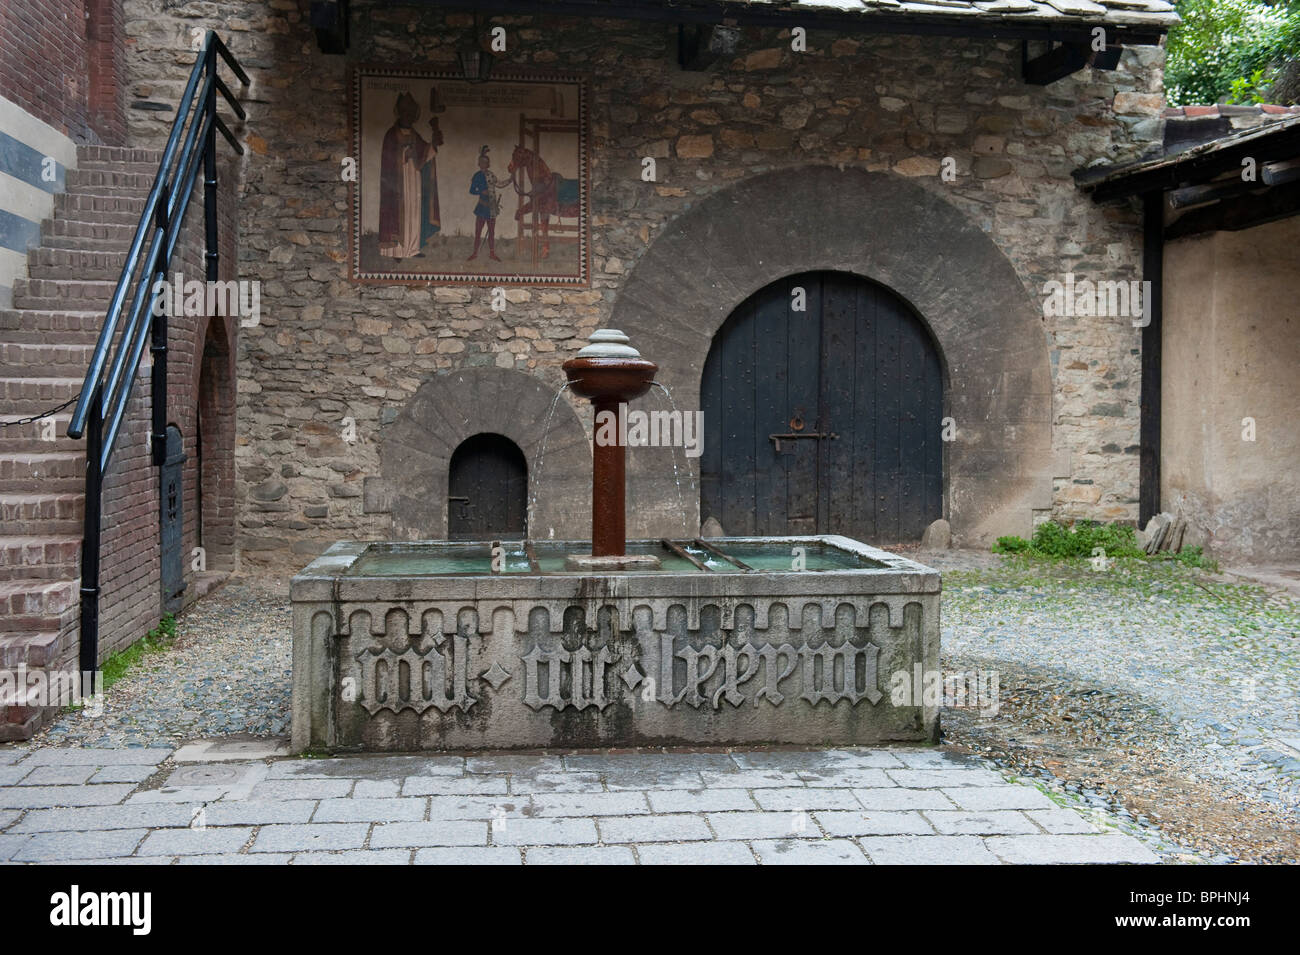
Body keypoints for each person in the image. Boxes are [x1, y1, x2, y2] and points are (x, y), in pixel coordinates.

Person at [377, 91, 440, 262]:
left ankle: (413, 248)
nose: (408, 116)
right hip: (397, 183)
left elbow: (424, 151)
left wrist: (432, 146)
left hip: (414, 180)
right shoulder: (391, 135)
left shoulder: (414, 134)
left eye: (411, 114)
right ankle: (396, 251)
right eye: (405, 112)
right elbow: (388, 159)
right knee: (398, 214)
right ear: (400, 113)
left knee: (414, 211)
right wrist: (404, 154)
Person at [467, 145, 502, 262]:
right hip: (482, 208)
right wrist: (481, 191)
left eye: (486, 162)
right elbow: (471, 190)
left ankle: (492, 253)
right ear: (479, 163)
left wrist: (511, 179)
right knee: (478, 232)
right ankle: (475, 253)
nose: (484, 164)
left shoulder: (491, 175)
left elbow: (499, 184)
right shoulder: (477, 176)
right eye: (482, 162)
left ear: (488, 164)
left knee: (491, 233)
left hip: (491, 209)